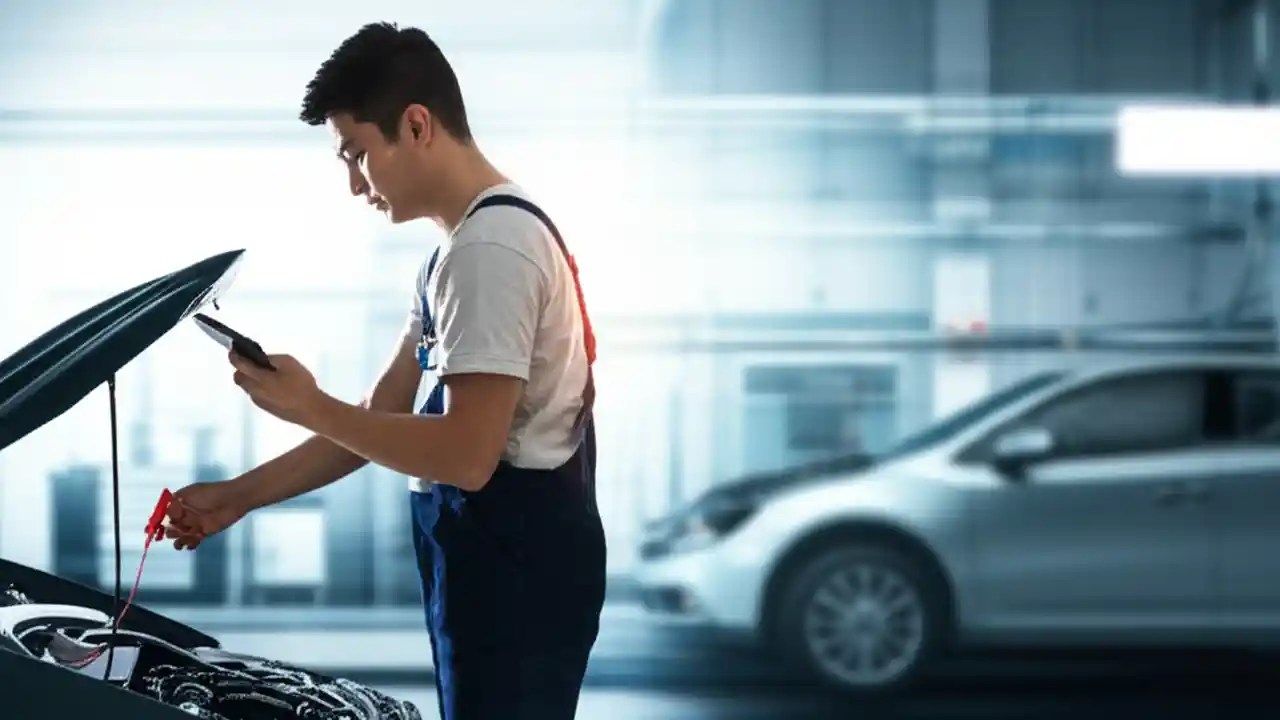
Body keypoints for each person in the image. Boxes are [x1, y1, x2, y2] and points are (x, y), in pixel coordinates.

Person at [164, 21, 606, 720]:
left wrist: (309, 404)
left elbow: (465, 456)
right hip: (493, 565)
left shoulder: (492, 250)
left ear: (417, 125)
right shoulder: (450, 258)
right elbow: (375, 422)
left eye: (357, 154)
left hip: (521, 573)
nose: (353, 184)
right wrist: (239, 496)